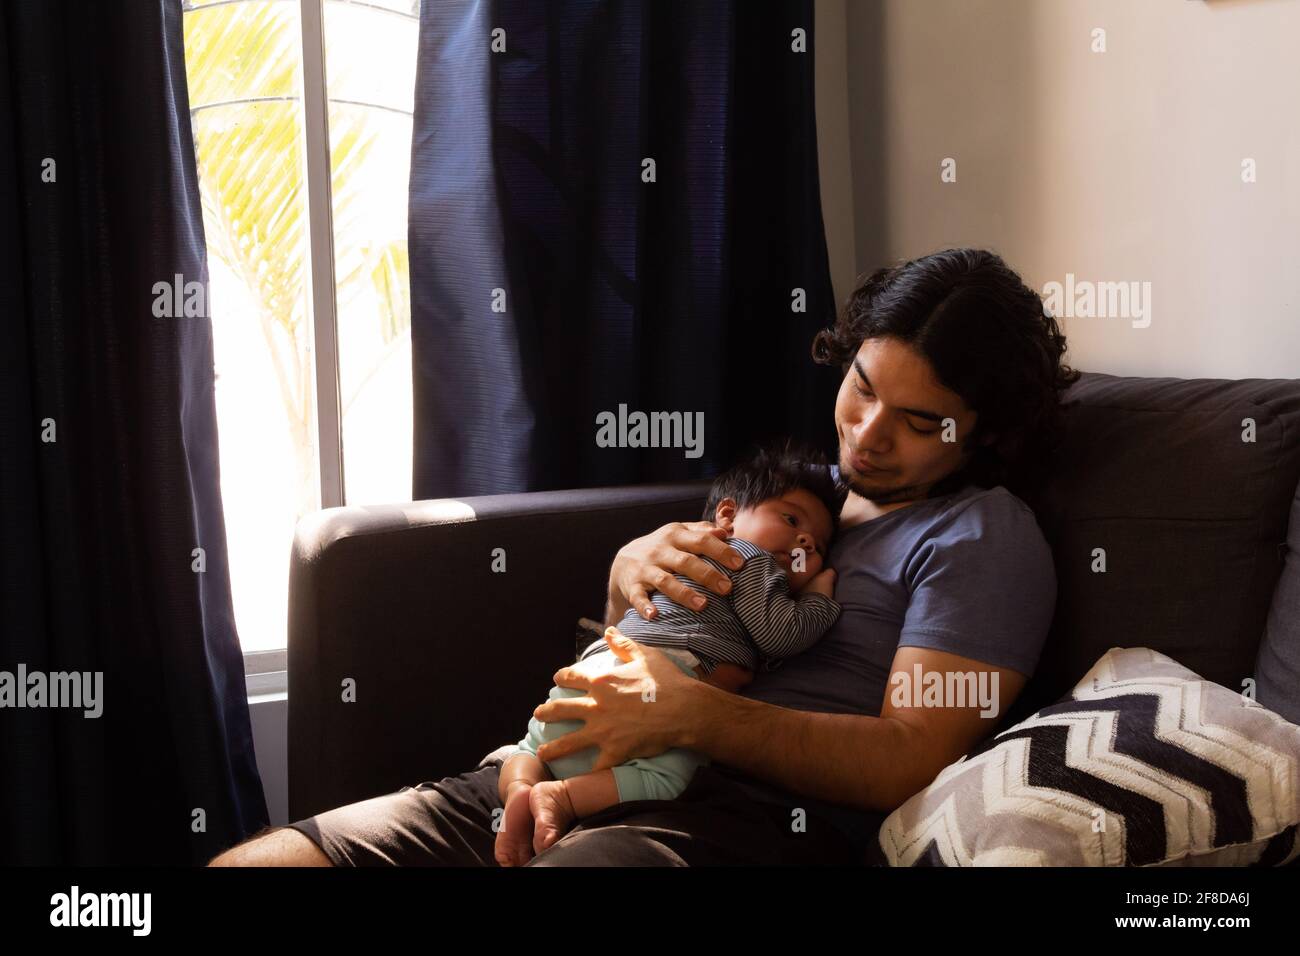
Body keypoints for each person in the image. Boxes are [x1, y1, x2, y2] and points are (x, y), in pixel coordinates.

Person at [209, 247, 1078, 867]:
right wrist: (629, 570)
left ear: (986, 432)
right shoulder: (795, 491)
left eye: (920, 423)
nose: (867, 435)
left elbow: (910, 755)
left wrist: (692, 718)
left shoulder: (983, 538)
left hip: (730, 822)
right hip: (559, 766)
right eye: (861, 387)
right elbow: (647, 632)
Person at [495, 441, 845, 866]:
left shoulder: (677, 554)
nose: (804, 539)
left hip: (595, 669)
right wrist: (819, 597)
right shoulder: (747, 558)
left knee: (530, 748)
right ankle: (563, 798)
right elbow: (780, 635)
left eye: (819, 546)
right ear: (728, 517)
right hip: (660, 680)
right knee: (669, 776)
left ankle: (520, 791)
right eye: (790, 519)